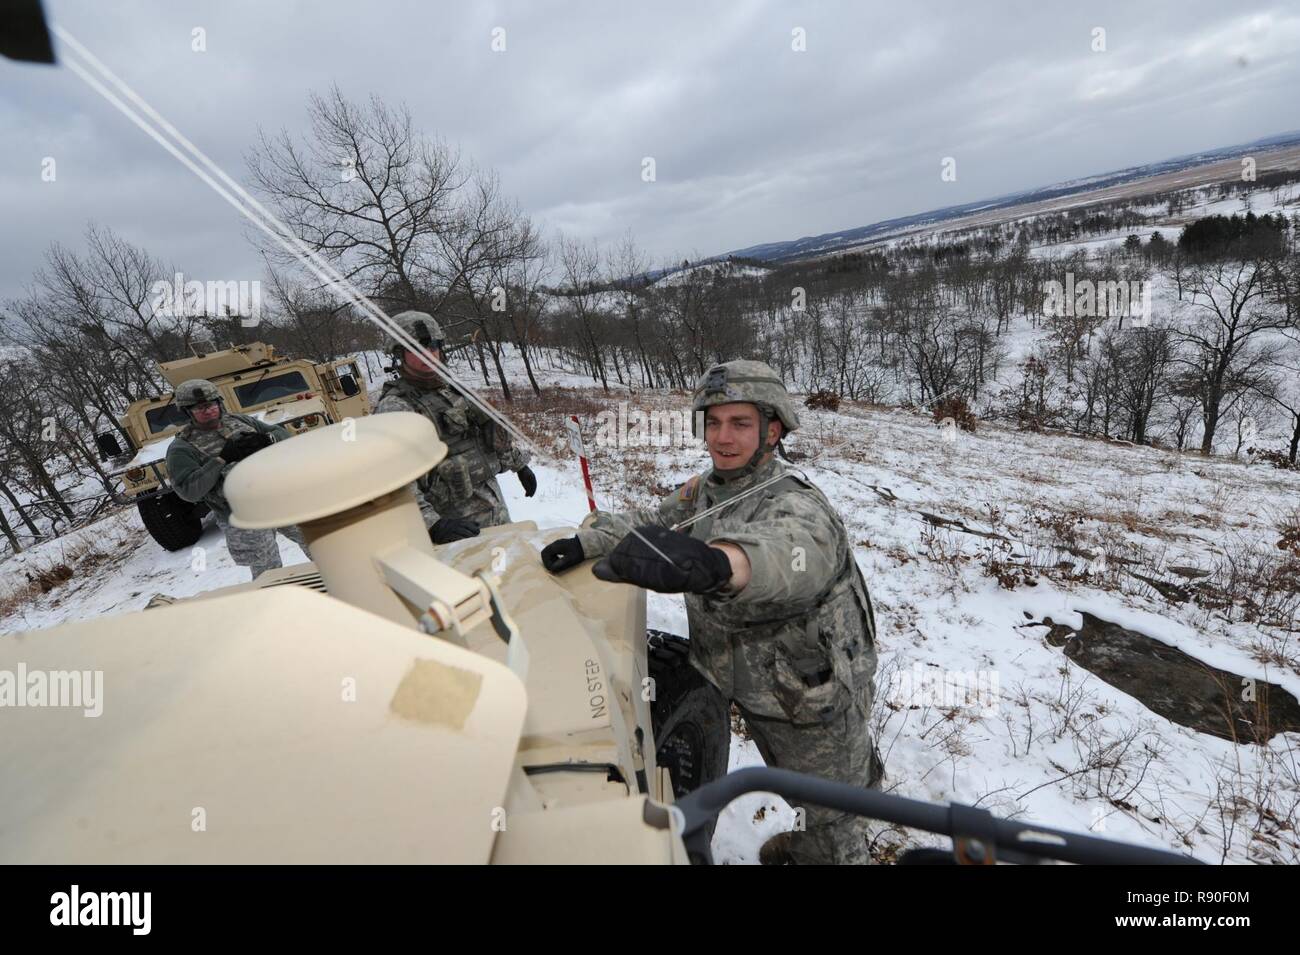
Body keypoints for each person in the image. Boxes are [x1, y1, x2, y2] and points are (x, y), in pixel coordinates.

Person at [541, 360, 883, 864]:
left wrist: (718, 563)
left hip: (811, 702)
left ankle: (825, 853)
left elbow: (789, 556)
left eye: (739, 423)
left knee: (833, 809)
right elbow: (655, 519)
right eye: (712, 422)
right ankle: (807, 840)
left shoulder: (796, 505)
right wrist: (587, 539)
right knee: (793, 784)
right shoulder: (708, 489)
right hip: (753, 684)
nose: (721, 438)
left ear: (773, 430)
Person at [374, 310, 536, 544]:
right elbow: (395, 479)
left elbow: (487, 433)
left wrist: (520, 465)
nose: (428, 354)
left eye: (433, 347)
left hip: (494, 509)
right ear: (399, 354)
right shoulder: (396, 407)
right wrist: (432, 524)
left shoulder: (452, 389)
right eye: (416, 349)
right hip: (454, 527)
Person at [164, 378, 307, 580]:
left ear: (219, 403)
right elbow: (188, 490)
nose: (208, 410)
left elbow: (281, 434)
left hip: (278, 499)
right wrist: (221, 459)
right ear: (188, 412)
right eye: (199, 408)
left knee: (317, 541)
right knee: (269, 573)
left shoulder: (241, 421)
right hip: (242, 515)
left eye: (211, 404)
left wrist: (268, 440)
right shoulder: (182, 447)